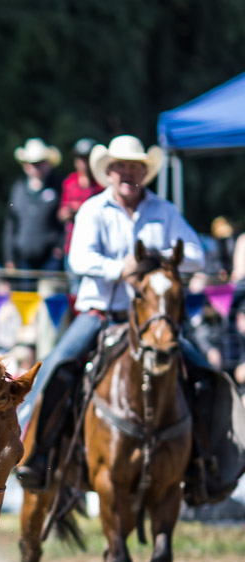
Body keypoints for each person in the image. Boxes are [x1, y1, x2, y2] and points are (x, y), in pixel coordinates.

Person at [16, 134, 208, 490]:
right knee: (57, 367)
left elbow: (197, 255)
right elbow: (79, 259)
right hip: (101, 315)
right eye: (120, 167)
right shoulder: (93, 209)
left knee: (204, 372)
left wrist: (154, 255)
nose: (127, 173)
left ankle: (203, 459)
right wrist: (121, 267)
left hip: (154, 320)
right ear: (109, 172)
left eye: (134, 167)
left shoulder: (164, 212)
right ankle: (36, 454)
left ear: (143, 172)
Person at [3, 138, 65, 278]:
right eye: (32, 163)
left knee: (50, 297)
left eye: (40, 163)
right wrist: (9, 257)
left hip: (51, 260)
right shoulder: (18, 188)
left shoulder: (59, 186)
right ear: (25, 165)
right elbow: (11, 223)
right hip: (23, 260)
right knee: (25, 298)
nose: (36, 167)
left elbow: (65, 220)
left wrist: (60, 247)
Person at [58, 138, 103, 256]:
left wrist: (80, 210)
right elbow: (61, 213)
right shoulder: (70, 182)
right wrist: (66, 214)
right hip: (72, 244)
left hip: (97, 243)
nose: (83, 163)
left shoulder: (102, 185)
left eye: (86, 158)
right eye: (80, 158)